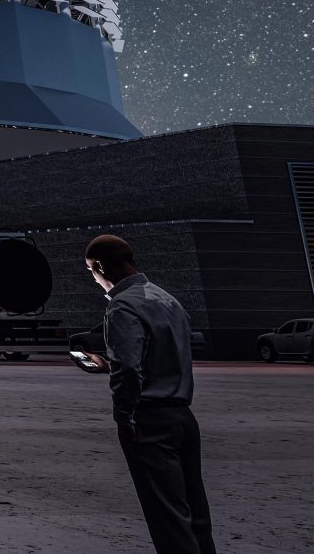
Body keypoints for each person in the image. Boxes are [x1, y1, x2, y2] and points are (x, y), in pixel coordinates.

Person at [85, 235, 215, 554]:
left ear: (100, 266)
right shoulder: (167, 299)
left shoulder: (122, 306)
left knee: (168, 518)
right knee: (196, 514)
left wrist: (124, 417)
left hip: (150, 420)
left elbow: (129, 368)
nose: (94, 277)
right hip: (183, 416)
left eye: (90, 270)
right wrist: (108, 366)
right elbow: (164, 356)